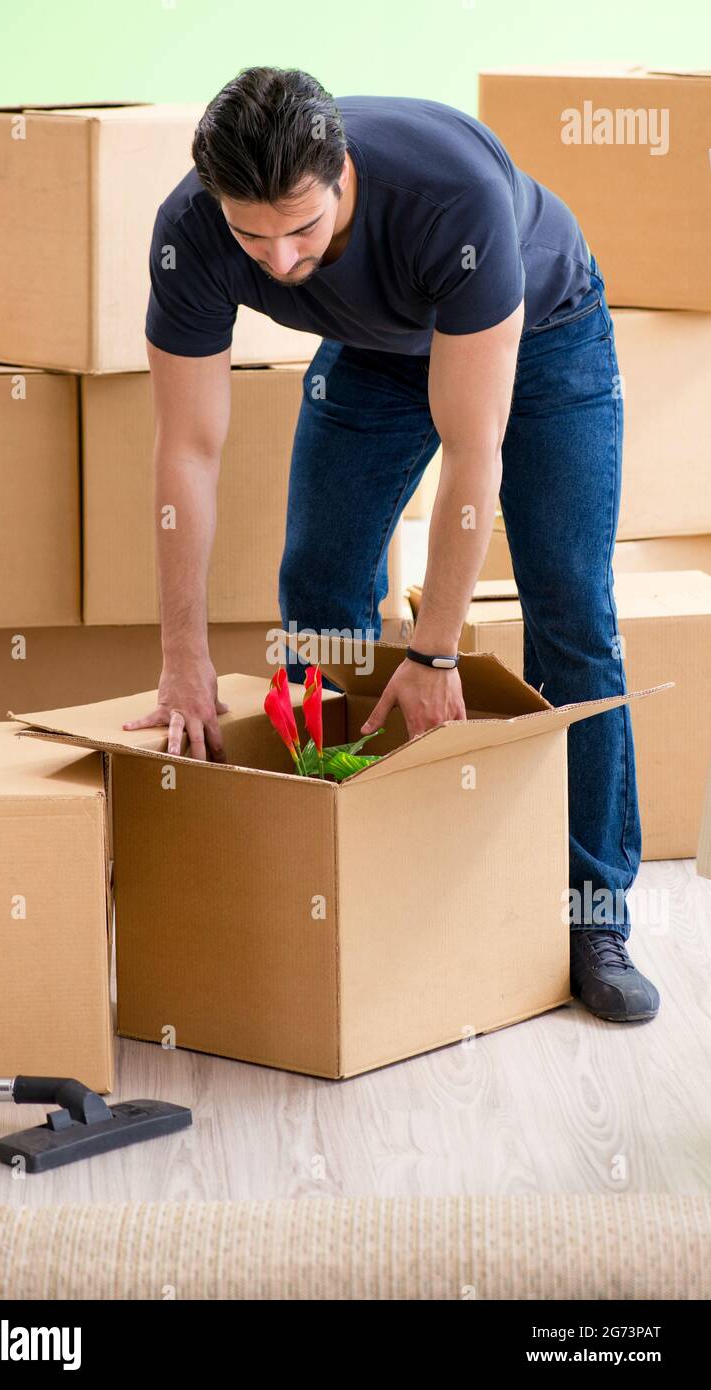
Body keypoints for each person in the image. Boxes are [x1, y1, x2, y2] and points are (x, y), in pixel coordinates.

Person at [123, 65, 659, 1023]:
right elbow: (187, 453)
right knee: (319, 586)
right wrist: (181, 658)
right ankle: (352, 868)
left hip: (542, 335)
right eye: (254, 235)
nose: (279, 261)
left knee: (570, 604)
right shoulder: (192, 234)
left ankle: (592, 917)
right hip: (372, 353)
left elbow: (472, 452)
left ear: (344, 177)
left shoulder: (447, 197)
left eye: (302, 228)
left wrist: (433, 651)